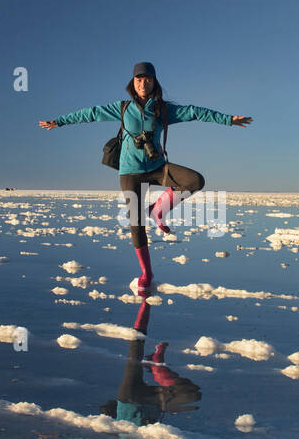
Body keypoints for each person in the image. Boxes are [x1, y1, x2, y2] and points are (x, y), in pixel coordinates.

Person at [39, 61, 251, 297]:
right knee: (135, 221)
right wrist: (59, 121)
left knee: (194, 180)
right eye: (139, 79)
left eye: (147, 79)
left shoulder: (162, 109)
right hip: (130, 171)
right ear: (133, 83)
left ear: (154, 82)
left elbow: (194, 112)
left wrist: (228, 119)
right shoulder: (122, 108)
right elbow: (90, 113)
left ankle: (157, 210)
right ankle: (146, 273)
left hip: (157, 167)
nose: (143, 83)